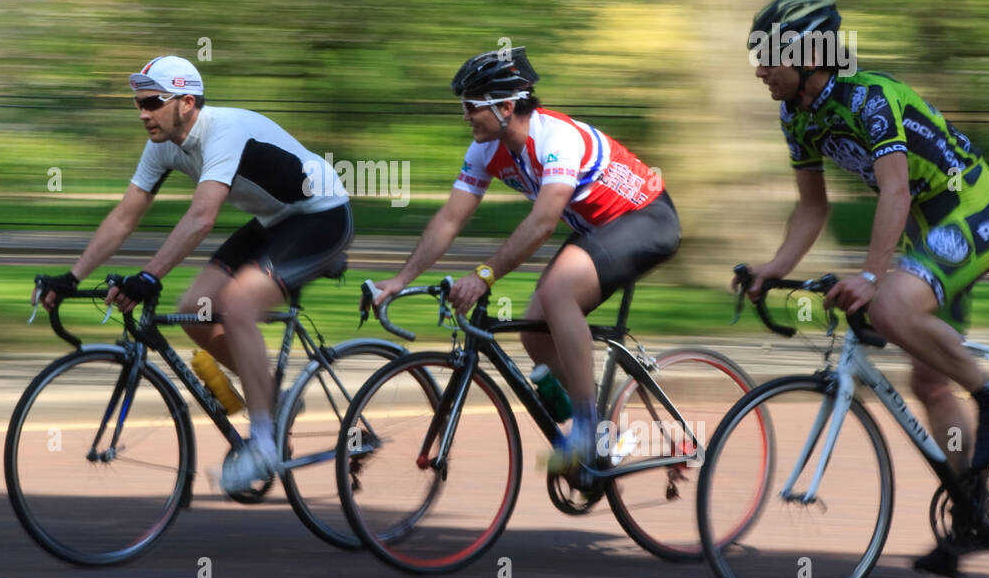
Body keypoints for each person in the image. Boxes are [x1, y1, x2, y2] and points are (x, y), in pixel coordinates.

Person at [741, 0, 989, 577]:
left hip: (971, 207)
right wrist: (772, 267)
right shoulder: (797, 115)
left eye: (767, 57)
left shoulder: (869, 97)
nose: (759, 69)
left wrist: (869, 275)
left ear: (809, 56)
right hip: (923, 227)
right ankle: (975, 511)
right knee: (931, 381)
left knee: (888, 304)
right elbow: (811, 209)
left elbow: (895, 190)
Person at [37, 55, 352, 494]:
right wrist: (70, 277)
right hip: (274, 222)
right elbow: (125, 216)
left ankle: (263, 444)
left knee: (237, 305)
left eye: (152, 102)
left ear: (186, 102)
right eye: (138, 104)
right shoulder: (162, 145)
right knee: (194, 310)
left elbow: (203, 216)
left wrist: (148, 276)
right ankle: (276, 403)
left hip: (321, 215)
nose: (144, 112)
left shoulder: (223, 130)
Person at [372, 46, 681, 481]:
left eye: (471, 106)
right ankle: (600, 432)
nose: (464, 115)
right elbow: (449, 219)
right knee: (536, 332)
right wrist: (401, 279)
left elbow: (542, 223)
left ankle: (590, 429)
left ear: (505, 106)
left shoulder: (556, 139)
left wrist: (484, 276)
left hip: (645, 219)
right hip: (597, 229)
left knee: (558, 294)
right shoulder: (486, 149)